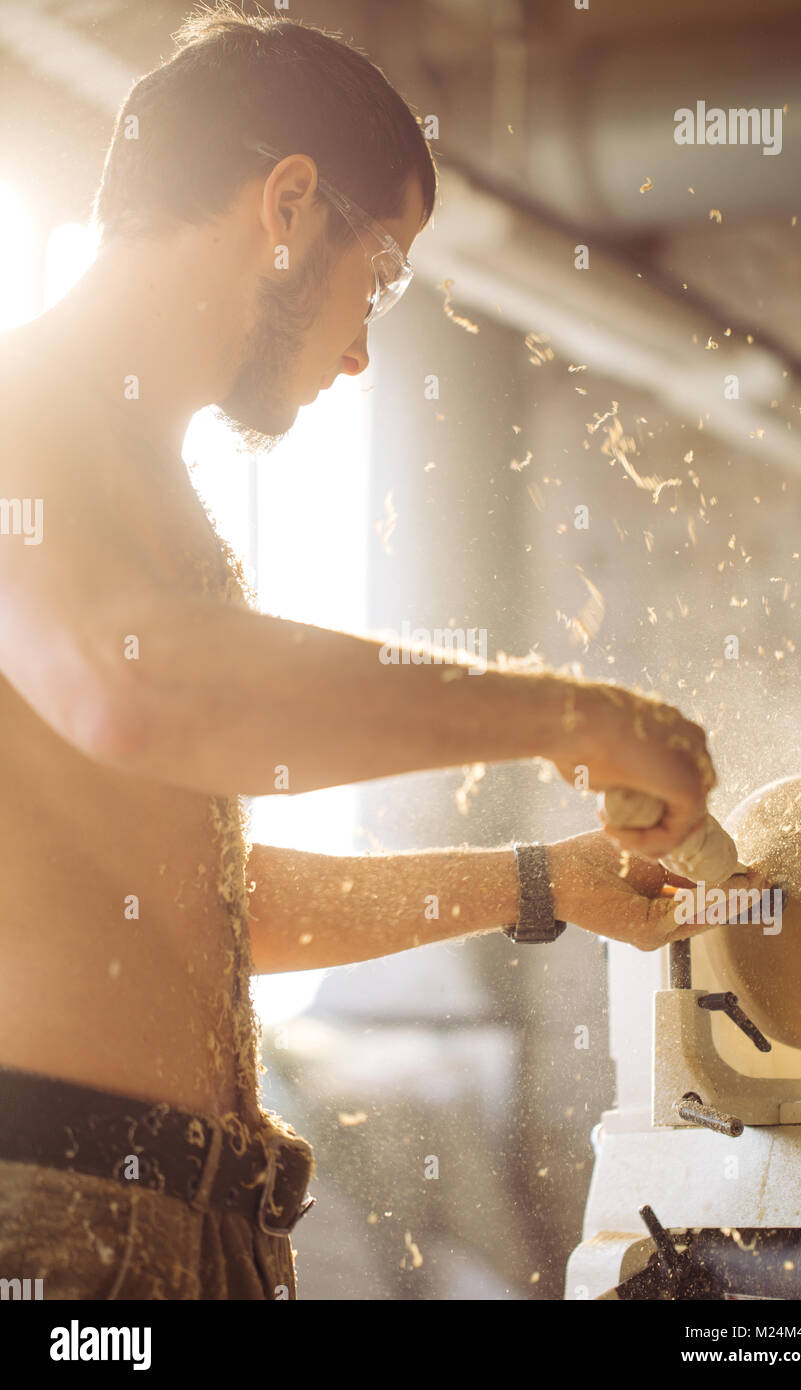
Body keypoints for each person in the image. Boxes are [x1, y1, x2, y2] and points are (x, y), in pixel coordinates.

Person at [0, 6, 734, 1300]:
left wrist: (536, 879)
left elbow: (221, 912)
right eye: (378, 275)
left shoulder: (148, 497)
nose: (357, 345)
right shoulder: (17, 418)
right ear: (287, 205)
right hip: (52, 1218)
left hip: (183, 1223)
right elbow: (134, 685)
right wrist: (568, 712)